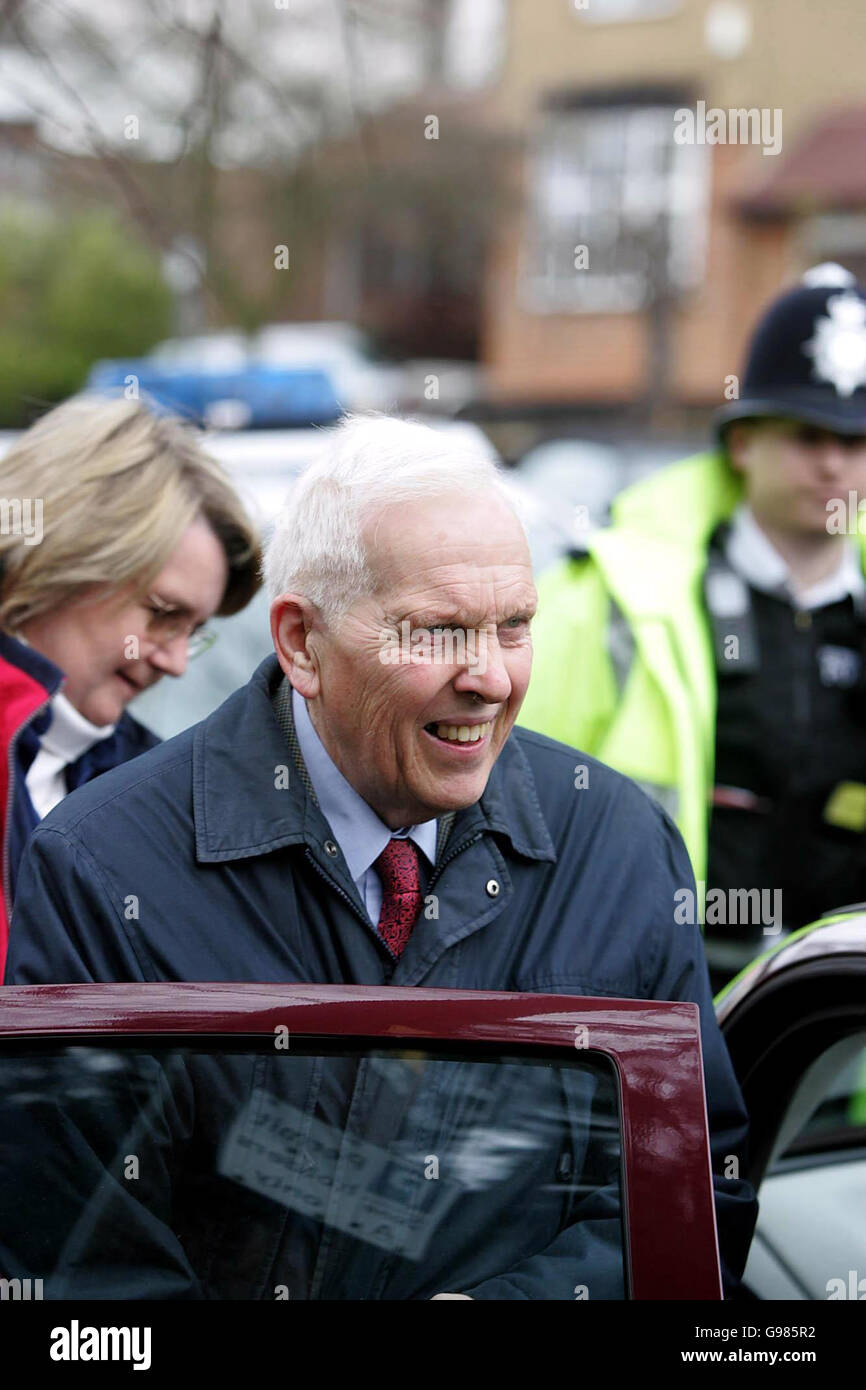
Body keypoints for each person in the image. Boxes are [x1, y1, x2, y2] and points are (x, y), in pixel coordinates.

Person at [5, 413, 757, 1298]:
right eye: (437, 630)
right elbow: (81, 1270)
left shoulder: (618, 844)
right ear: (301, 643)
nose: (490, 677)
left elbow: (691, 1195)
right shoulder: (104, 867)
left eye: (513, 625)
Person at [520, 264, 866, 989]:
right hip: (663, 1020)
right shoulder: (612, 601)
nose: (834, 463)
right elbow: (516, 810)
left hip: (845, 1050)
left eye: (856, 440)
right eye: (807, 435)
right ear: (741, 443)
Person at [0, 394, 261, 973]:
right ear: (64, 556)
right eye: (162, 612)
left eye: (193, 631)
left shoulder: (149, 791)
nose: (175, 662)